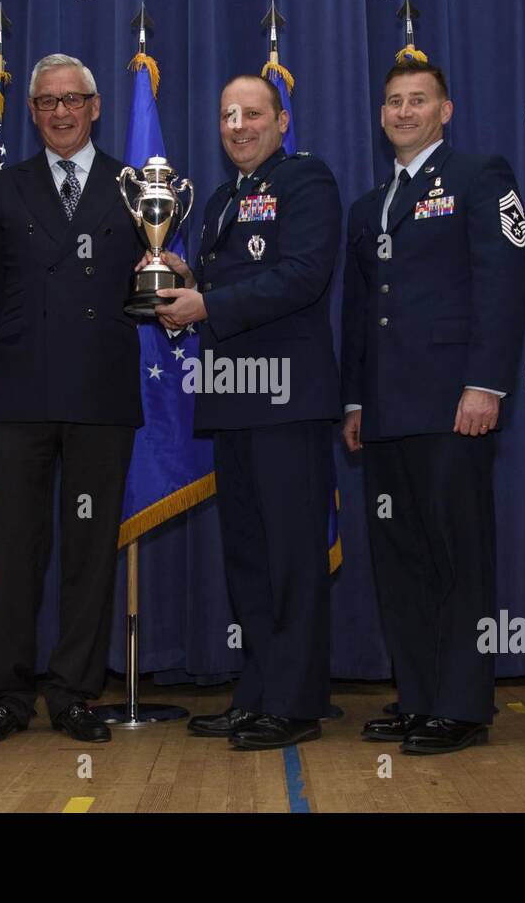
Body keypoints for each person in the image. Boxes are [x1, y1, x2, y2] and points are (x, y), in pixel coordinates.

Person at [339, 60, 525, 754]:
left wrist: (485, 383)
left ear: (445, 110)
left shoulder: (481, 177)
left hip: (454, 405)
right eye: (393, 100)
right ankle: (418, 693)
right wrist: (355, 398)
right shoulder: (370, 205)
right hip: (387, 413)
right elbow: (361, 313)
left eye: (418, 100)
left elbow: (503, 283)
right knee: (402, 559)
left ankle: (462, 704)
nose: (404, 111)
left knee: (457, 557)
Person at [0, 54, 145, 745]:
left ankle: (72, 692)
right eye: (46, 102)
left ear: (95, 106)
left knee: (91, 552)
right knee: (16, 548)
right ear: (31, 112)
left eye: (73, 99)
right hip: (22, 395)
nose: (61, 112)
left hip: (100, 392)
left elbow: (156, 278)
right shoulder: (5, 187)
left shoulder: (134, 184)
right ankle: (5, 695)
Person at [151, 75, 341, 750]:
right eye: (228, 114)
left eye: (252, 113)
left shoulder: (307, 181)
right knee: (251, 560)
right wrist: (186, 281)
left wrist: (208, 305)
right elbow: (234, 286)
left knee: (292, 555)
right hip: (232, 395)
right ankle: (258, 691)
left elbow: (302, 274)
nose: (239, 124)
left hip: (287, 397)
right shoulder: (222, 198)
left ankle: (296, 703)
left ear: (281, 120)